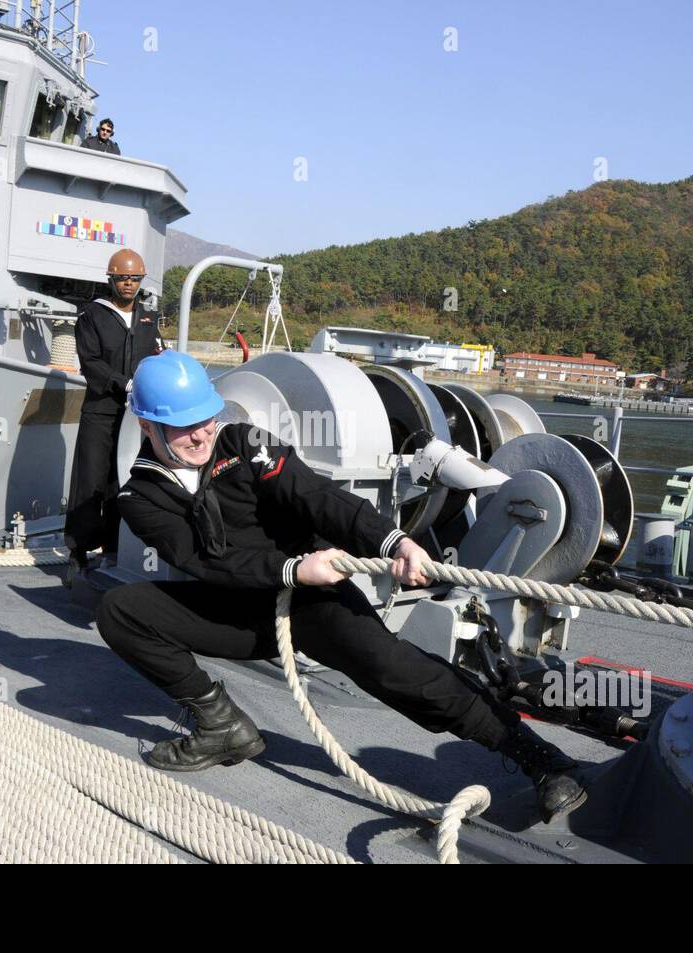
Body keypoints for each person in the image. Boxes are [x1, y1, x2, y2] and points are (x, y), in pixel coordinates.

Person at [96, 350, 587, 823]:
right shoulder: (140, 495)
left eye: (206, 417)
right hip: (237, 611)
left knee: (393, 668)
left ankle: (537, 757)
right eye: (185, 424)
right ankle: (221, 725)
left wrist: (394, 542)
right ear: (147, 425)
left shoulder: (245, 444)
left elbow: (319, 498)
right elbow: (205, 560)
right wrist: (293, 569)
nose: (202, 432)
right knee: (122, 610)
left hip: (312, 601)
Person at [64, 249, 164, 566]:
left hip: (134, 415)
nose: (128, 284)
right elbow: (90, 362)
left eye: (135, 279)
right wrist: (124, 383)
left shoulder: (149, 317)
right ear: (111, 279)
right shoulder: (91, 316)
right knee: (90, 478)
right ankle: (78, 550)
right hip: (101, 410)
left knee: (123, 478)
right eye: (122, 278)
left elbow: (157, 355)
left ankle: (114, 547)